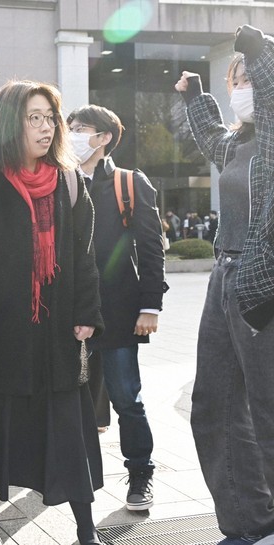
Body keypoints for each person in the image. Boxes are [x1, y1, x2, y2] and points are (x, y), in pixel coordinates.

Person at [0, 80, 105, 545]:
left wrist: (87, 314)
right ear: (10, 124)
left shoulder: (69, 181)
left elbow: (84, 256)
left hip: (56, 336)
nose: (45, 126)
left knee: (67, 433)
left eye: (49, 117)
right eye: (33, 117)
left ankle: (85, 528)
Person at [175, 24, 274, 545]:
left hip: (266, 283)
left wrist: (257, 50)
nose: (242, 87)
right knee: (213, 405)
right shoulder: (240, 144)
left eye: (248, 79)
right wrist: (198, 98)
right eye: (234, 80)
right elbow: (213, 135)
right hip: (225, 277)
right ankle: (248, 523)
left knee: (268, 410)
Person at [67, 104, 167, 511]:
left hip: (119, 311)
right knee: (69, 397)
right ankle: (76, 472)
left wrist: (150, 307)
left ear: (104, 137)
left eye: (81, 129)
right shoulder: (61, 181)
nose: (72, 134)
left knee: (126, 396)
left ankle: (140, 473)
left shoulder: (129, 183)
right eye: (69, 127)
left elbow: (151, 248)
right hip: (70, 312)